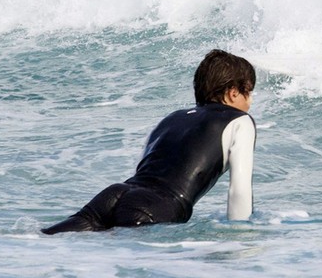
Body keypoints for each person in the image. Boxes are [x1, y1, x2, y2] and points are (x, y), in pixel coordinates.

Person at [42, 49, 258, 234]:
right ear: (233, 93)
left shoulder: (171, 119)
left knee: (45, 238)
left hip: (113, 195)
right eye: (249, 93)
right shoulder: (240, 120)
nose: (250, 102)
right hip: (156, 206)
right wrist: (240, 243)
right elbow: (238, 190)